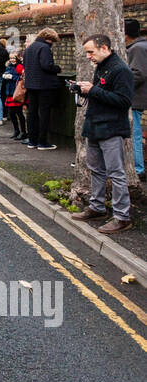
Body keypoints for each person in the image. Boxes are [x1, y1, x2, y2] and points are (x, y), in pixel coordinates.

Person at [71, 33, 134, 234]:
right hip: (96, 126)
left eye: (91, 52)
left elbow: (124, 101)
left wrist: (93, 90)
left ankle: (122, 217)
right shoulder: (102, 66)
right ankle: (97, 207)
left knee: (116, 173)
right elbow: (101, 93)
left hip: (111, 128)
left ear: (104, 48)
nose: (88, 56)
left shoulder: (121, 70)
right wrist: (82, 89)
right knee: (96, 169)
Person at [22, 27, 61, 149]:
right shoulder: (44, 48)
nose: (52, 44)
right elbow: (46, 65)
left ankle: (32, 141)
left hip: (31, 84)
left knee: (32, 112)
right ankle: (42, 142)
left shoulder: (30, 48)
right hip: (44, 85)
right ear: (48, 38)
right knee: (44, 113)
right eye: (52, 41)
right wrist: (57, 68)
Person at [124, 18, 147, 180]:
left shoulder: (137, 48)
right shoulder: (139, 46)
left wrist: (119, 81)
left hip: (135, 98)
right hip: (136, 97)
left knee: (134, 135)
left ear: (125, 34)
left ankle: (138, 169)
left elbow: (138, 74)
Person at [3, 49, 27, 139]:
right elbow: (6, 75)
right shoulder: (8, 66)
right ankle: (16, 131)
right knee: (12, 113)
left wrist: (12, 77)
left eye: (14, 58)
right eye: (11, 58)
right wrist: (4, 76)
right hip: (9, 92)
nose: (12, 60)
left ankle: (23, 132)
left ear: (18, 58)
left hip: (17, 93)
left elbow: (22, 79)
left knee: (19, 113)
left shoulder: (20, 67)